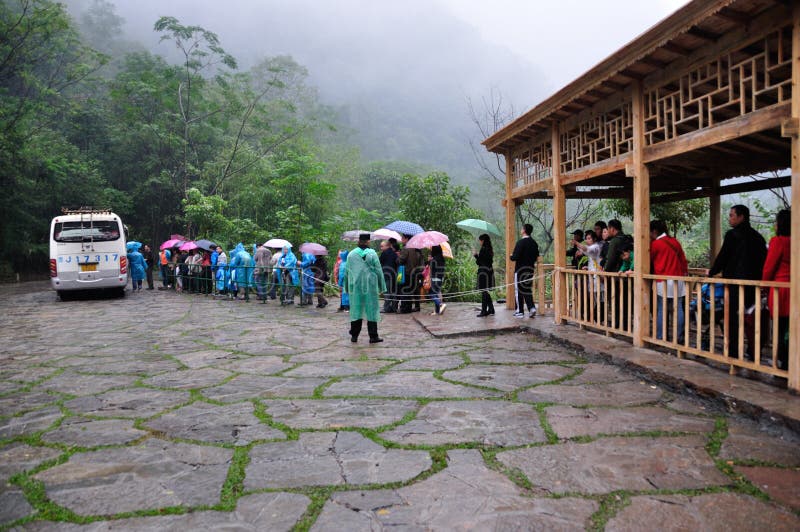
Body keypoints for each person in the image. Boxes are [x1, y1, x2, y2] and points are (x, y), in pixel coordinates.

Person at [709, 205, 767, 359]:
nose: (730, 218)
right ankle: (754, 352)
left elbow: (723, 257)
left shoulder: (732, 235)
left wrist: (712, 272)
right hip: (753, 285)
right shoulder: (758, 237)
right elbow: (763, 261)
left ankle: (734, 351)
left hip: (735, 284)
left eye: (732, 215)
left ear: (742, 217)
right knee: (752, 319)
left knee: (734, 318)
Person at [650, 220, 688, 343]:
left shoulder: (656, 244)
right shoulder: (675, 242)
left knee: (662, 308)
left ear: (654, 231)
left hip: (663, 280)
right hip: (678, 279)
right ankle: (678, 337)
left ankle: (661, 336)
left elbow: (649, 260)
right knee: (678, 309)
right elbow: (683, 260)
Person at [343, 234, 386, 343]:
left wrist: (347, 288)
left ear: (359, 241)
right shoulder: (372, 254)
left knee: (356, 310)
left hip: (355, 286)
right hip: (370, 286)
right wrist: (382, 287)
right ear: (368, 241)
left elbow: (347, 272)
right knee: (371, 310)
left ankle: (354, 335)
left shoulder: (351, 255)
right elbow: (379, 271)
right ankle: (373, 336)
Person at [762, 209, 790, 369]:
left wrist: (764, 286)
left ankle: (781, 360)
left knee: (779, 327)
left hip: (781, 290)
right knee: (791, 327)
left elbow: (769, 268)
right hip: (794, 289)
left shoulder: (778, 242)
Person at [604, 219, 631, 328]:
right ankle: (625, 324)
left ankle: (617, 324)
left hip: (616, 275)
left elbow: (610, 259)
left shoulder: (615, 241)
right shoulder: (627, 238)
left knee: (615, 301)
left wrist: (605, 272)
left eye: (608, 229)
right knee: (625, 301)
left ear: (612, 229)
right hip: (627, 274)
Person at [510, 223, 539, 318]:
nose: (521, 230)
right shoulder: (534, 243)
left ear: (524, 230)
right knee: (526, 288)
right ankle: (531, 308)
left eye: (522, 228)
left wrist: (511, 256)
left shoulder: (520, 242)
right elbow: (536, 256)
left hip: (520, 270)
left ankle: (520, 311)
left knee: (518, 290)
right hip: (530, 269)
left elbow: (514, 257)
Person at [397, 234, 423, 314]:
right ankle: (408, 307)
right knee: (409, 291)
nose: (401, 239)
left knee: (404, 291)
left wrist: (398, 257)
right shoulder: (416, 249)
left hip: (406, 273)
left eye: (402, 238)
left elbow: (401, 261)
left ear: (407, 239)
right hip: (414, 273)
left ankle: (404, 308)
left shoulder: (406, 248)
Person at [474, 234, 495, 317]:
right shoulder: (490, 249)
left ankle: (484, 311)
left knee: (483, 291)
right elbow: (488, 261)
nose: (480, 242)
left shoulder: (483, 249)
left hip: (483, 272)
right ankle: (491, 309)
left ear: (483, 240)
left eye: (480, 240)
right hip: (489, 271)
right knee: (485, 291)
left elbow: (479, 262)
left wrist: (476, 255)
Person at [379, 240, 398, 313]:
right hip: (394, 275)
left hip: (386, 275)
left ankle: (386, 308)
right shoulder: (394, 254)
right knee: (393, 292)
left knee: (387, 292)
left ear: (387, 246)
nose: (381, 248)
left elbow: (380, 262)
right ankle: (394, 307)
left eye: (382, 246)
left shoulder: (384, 253)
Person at [428, 244, 447, 316]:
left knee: (432, 294)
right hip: (440, 279)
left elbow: (432, 268)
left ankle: (440, 304)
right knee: (436, 294)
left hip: (434, 279)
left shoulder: (434, 259)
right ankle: (437, 311)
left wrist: (430, 261)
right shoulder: (442, 259)